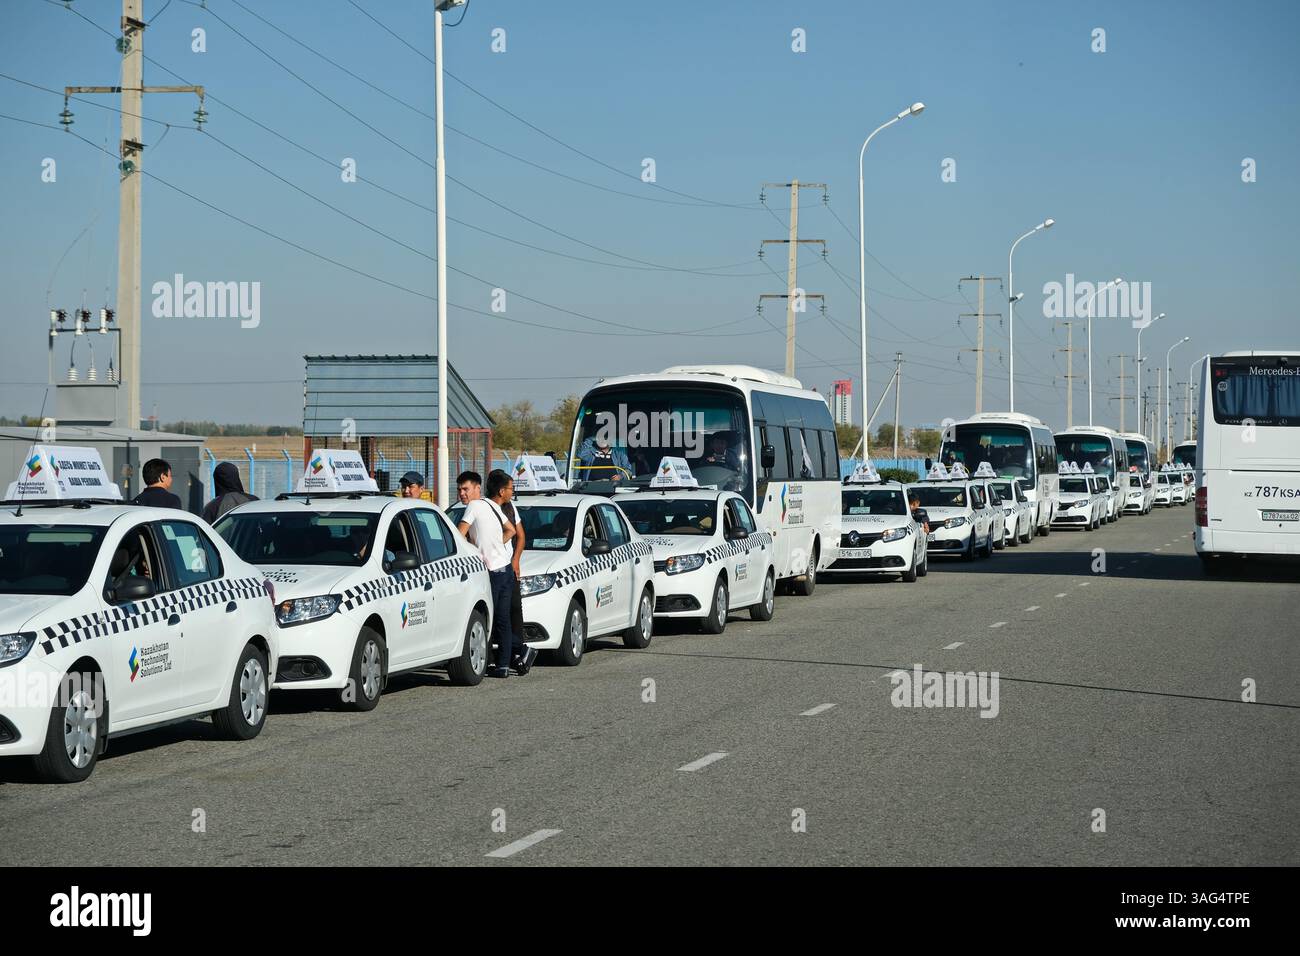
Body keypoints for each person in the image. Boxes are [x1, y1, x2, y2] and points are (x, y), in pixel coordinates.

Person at [457, 469, 536, 678]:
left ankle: (504, 660)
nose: (462, 494)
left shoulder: (474, 506)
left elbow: (459, 535)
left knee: (491, 619)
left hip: (492, 571)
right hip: (506, 569)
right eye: (459, 490)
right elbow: (510, 530)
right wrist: (496, 546)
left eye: (465, 489)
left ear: (476, 488)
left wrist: (476, 551)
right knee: (502, 619)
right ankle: (503, 665)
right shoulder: (492, 505)